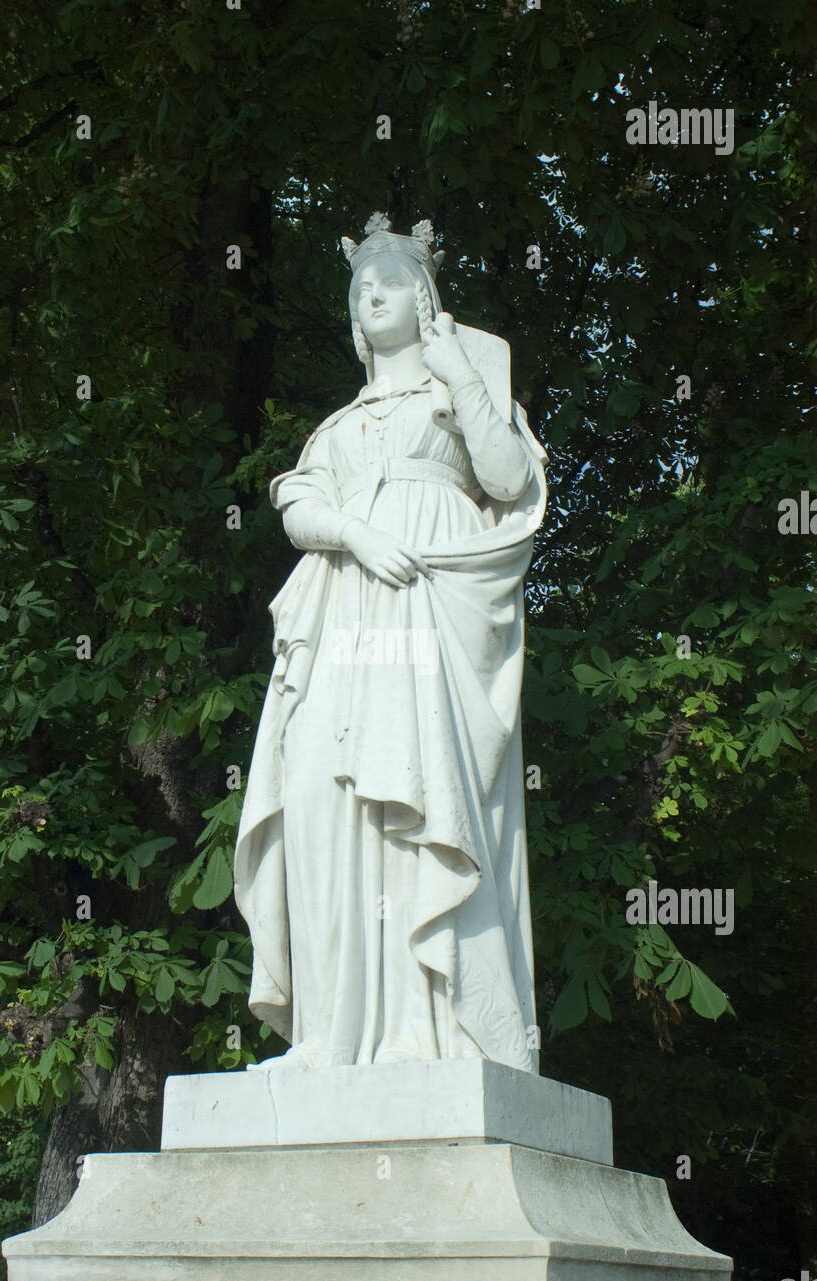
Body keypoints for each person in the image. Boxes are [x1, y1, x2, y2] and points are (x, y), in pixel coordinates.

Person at [233, 213, 547, 1071]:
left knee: (414, 797)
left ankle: (428, 1027)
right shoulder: (336, 426)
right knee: (321, 795)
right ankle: (331, 1036)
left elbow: (512, 481)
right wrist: (355, 535)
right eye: (358, 284)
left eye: (390, 279)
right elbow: (297, 508)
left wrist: (461, 377)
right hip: (342, 605)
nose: (369, 293)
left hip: (427, 607)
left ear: (426, 297)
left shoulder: (459, 392)